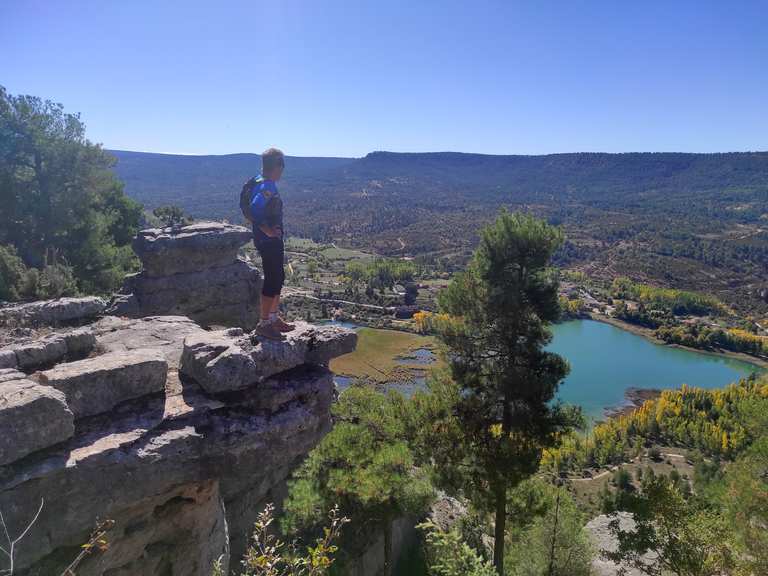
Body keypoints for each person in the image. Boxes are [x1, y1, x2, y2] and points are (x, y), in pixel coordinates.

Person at [249, 147, 295, 340]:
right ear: (277, 166)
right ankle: (264, 323)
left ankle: (274, 318)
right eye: (281, 165)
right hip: (267, 240)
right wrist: (267, 230)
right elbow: (254, 209)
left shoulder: (261, 181)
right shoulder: (267, 186)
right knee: (272, 279)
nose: (283, 169)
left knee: (278, 277)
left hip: (270, 239)